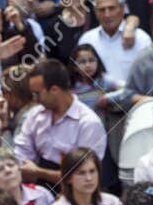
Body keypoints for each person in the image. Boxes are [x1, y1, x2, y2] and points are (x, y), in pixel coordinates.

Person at [13, 59, 106, 188]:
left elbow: (85, 177)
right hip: (37, 189)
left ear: (55, 90)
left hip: (76, 194)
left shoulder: (88, 123)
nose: (35, 99)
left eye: (37, 94)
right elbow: (21, 154)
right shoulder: (35, 115)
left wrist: (38, 172)